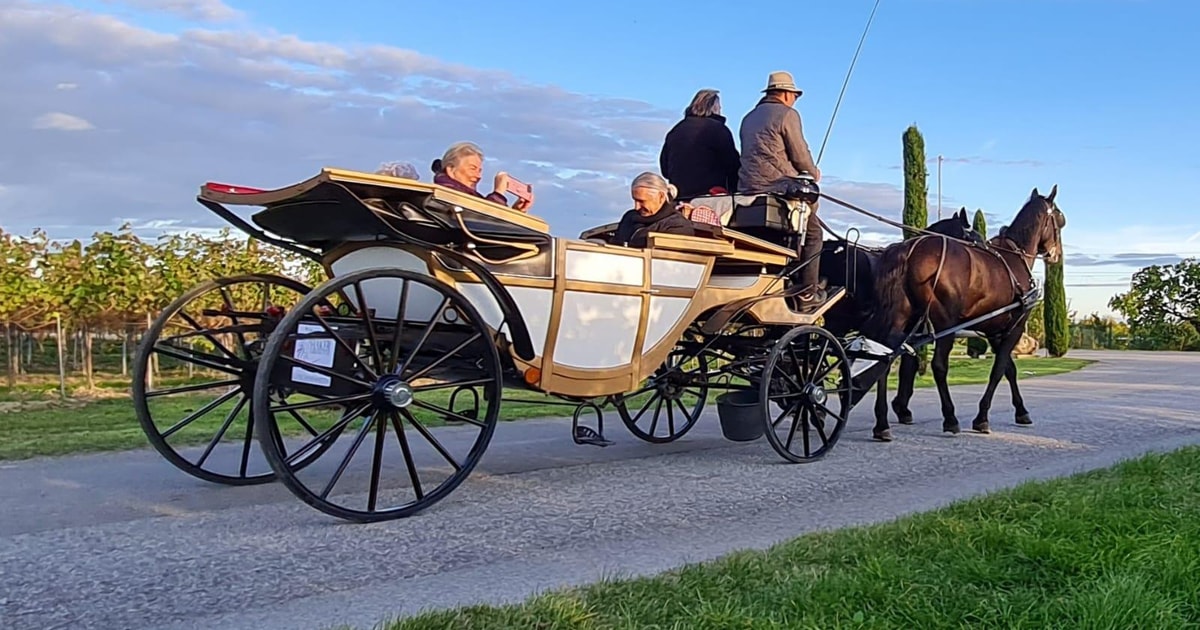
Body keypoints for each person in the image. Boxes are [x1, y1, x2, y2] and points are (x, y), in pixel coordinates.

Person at [737, 70, 825, 311]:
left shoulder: (748, 118)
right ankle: (808, 292)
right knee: (815, 234)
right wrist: (813, 171)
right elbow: (799, 155)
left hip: (746, 189)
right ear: (786, 94)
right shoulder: (788, 115)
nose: (795, 100)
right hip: (777, 188)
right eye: (794, 95)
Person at [658, 89, 741, 201]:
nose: (721, 109)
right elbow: (733, 165)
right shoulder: (718, 130)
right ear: (714, 108)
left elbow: (665, 169)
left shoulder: (676, 130)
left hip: (680, 197)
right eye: (719, 106)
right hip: (710, 197)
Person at [430, 141, 534, 212]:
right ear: (451, 170)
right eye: (472, 168)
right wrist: (498, 193)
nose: (478, 176)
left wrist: (516, 211)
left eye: (480, 170)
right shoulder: (446, 194)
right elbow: (483, 219)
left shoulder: (468, 195)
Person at [612, 172, 695, 247]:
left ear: (661, 197)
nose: (636, 207)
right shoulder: (629, 218)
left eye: (641, 201)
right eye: (635, 200)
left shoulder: (678, 226)